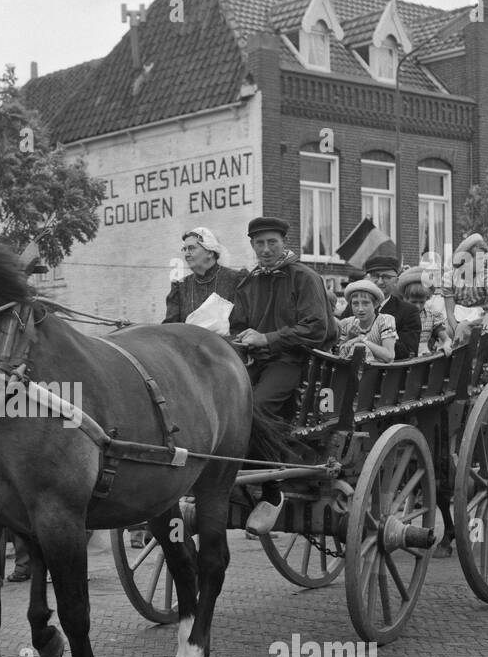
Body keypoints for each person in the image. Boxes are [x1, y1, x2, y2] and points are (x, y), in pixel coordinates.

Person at [229, 215, 334, 533]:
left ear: (283, 242)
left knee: (255, 409)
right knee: (224, 405)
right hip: (257, 362)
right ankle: (234, 476)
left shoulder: (304, 277)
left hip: (298, 363)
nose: (265, 249)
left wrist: (268, 339)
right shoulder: (249, 282)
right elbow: (237, 324)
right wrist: (243, 337)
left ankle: (272, 492)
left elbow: (317, 328)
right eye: (259, 243)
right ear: (252, 245)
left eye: (271, 242)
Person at [164, 227, 241, 326]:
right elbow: (171, 328)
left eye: (191, 248)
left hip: (227, 341)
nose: (186, 254)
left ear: (209, 252)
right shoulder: (181, 287)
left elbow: (243, 325)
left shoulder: (235, 280)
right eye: (185, 249)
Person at [441, 233, 488, 346]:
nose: (484, 261)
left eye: (484, 257)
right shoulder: (449, 277)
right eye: (479, 258)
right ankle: (441, 361)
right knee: (444, 330)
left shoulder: (486, 275)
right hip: (458, 317)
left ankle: (461, 360)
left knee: (463, 328)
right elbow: (450, 312)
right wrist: (455, 329)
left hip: (479, 317)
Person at [362, 246, 420, 360]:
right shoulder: (354, 306)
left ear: (396, 281)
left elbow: (408, 351)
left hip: (388, 374)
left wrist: (366, 340)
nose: (379, 281)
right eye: (375, 276)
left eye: (386, 277)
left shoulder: (408, 311)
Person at [335, 279, 398, 362]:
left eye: (365, 303)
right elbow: (337, 356)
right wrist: (349, 338)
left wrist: (362, 340)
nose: (360, 309)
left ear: (375, 304)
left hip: (377, 373)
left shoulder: (385, 321)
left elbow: (389, 356)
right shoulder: (346, 323)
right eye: (355, 304)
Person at [398, 267, 446, 356]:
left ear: (427, 298)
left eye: (421, 302)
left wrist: (446, 344)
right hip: (403, 359)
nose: (417, 306)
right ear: (405, 299)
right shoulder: (399, 316)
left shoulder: (432, 315)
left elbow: (446, 339)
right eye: (413, 302)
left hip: (425, 359)